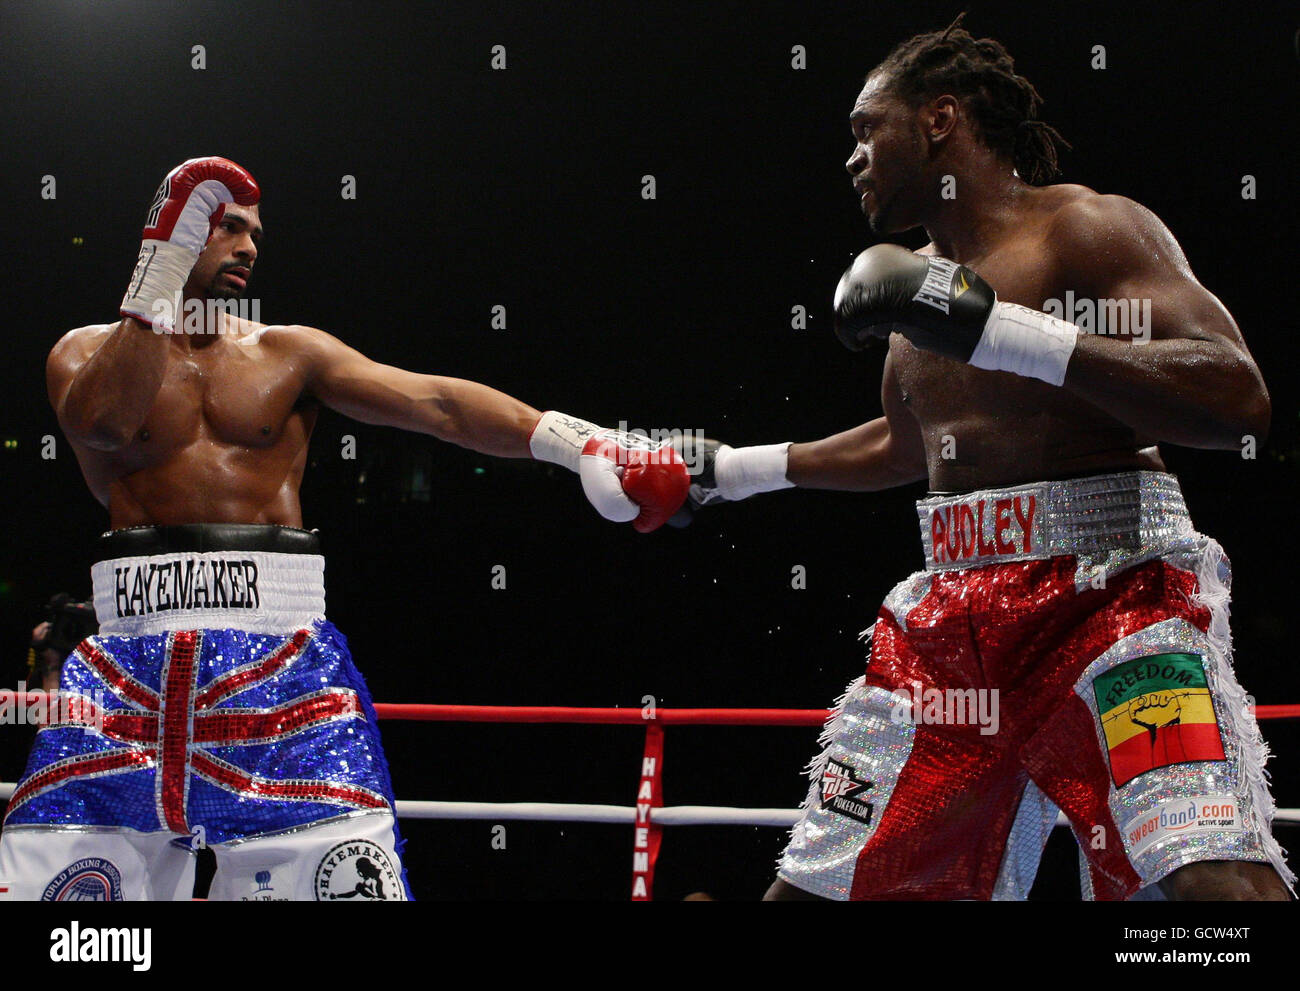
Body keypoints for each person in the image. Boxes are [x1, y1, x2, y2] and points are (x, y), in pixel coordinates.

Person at [674, 18, 1293, 900]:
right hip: (950, 635)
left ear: (939, 119)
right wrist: (734, 470)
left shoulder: (1086, 229)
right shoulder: (921, 296)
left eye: (864, 129)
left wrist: (1005, 331)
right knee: (820, 886)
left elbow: (1238, 399)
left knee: (1210, 887)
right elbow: (904, 446)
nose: (852, 158)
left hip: (1114, 604)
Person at [0, 156, 688, 901]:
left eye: (255, 233)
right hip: (128, 673)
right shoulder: (82, 353)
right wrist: (160, 265)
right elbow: (104, 424)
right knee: (70, 929)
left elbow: (437, 404)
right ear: (178, 226)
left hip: (279, 665)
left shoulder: (289, 352)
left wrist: (575, 439)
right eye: (228, 225)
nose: (250, 246)